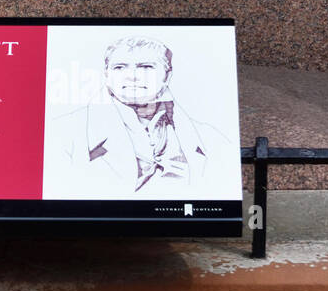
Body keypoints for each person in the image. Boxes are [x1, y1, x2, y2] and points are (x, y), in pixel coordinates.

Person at [48, 36, 230, 196]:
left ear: (167, 76)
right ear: (106, 75)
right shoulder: (62, 133)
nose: (132, 76)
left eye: (146, 67)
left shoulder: (208, 137)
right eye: (120, 67)